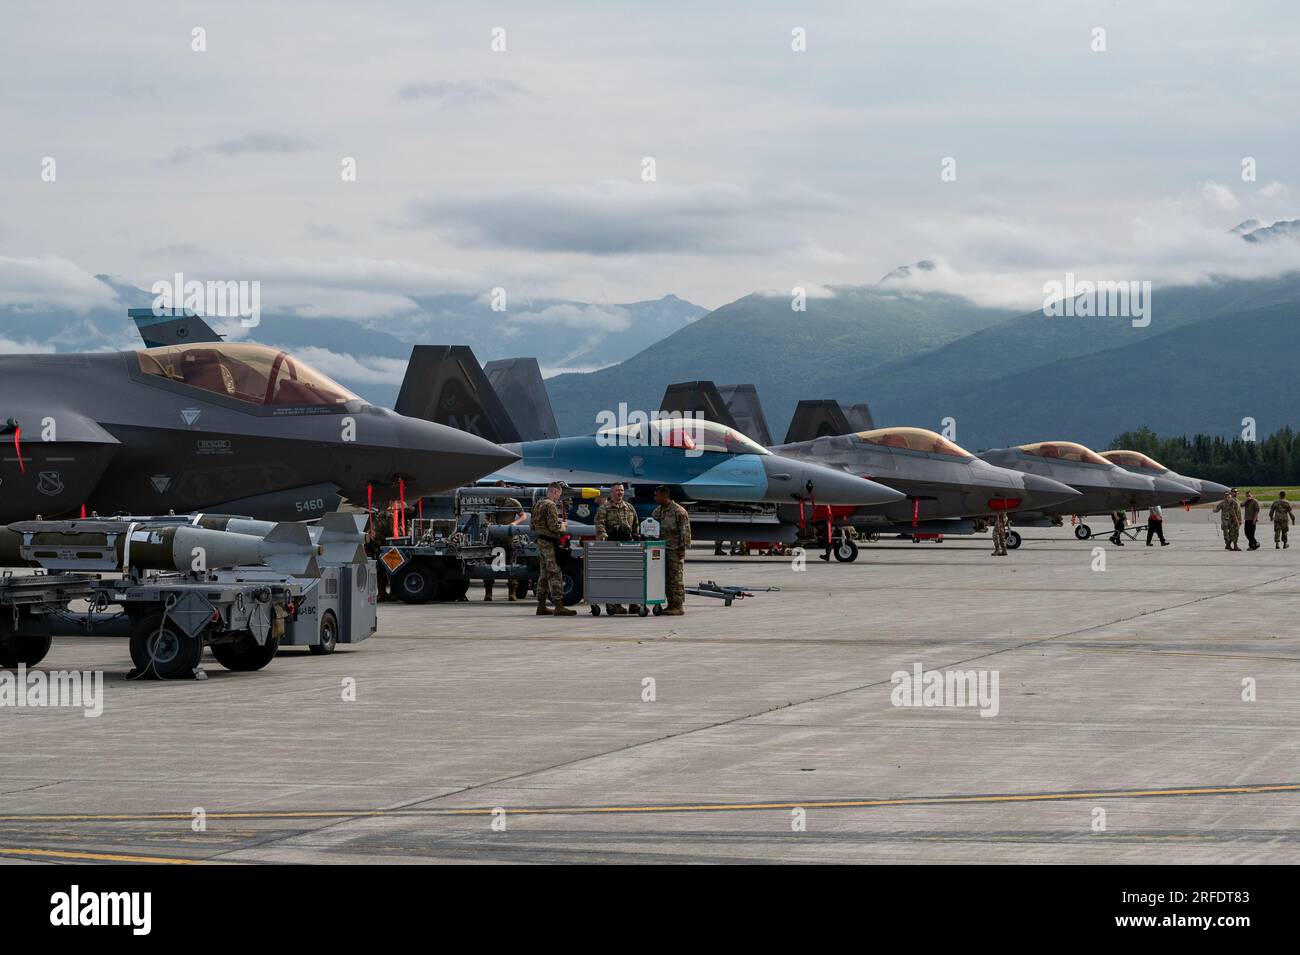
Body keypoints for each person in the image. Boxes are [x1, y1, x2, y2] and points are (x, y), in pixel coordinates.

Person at [594, 483, 641, 615]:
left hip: (629, 547)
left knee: (632, 575)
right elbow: (599, 526)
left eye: (621, 490)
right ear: (611, 492)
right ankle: (616, 604)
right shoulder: (604, 508)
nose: (619, 493)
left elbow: (635, 526)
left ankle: (634, 604)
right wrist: (604, 538)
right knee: (615, 576)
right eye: (617, 490)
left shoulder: (629, 508)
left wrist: (636, 538)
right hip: (612, 548)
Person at [531, 481, 576, 616]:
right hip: (549, 543)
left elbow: (532, 526)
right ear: (555, 492)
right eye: (559, 495)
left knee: (544, 574)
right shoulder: (550, 505)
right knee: (555, 572)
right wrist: (562, 527)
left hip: (540, 541)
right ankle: (559, 605)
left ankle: (541, 605)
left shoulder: (538, 504)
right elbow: (553, 527)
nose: (558, 498)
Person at [651, 485, 691, 615]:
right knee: (665, 578)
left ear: (664, 496)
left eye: (657, 495)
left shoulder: (679, 511)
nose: (655, 498)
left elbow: (685, 532)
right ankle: (670, 604)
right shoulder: (657, 511)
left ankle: (678, 605)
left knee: (675, 578)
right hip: (660, 550)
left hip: (674, 550)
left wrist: (682, 549)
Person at [483, 490, 525, 601]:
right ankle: (488, 593)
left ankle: (512, 593)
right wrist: (488, 523)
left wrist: (514, 524)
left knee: (511, 567)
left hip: (509, 539)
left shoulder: (513, 502)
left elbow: (523, 516)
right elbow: (486, 516)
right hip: (494, 540)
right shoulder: (491, 503)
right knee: (490, 567)